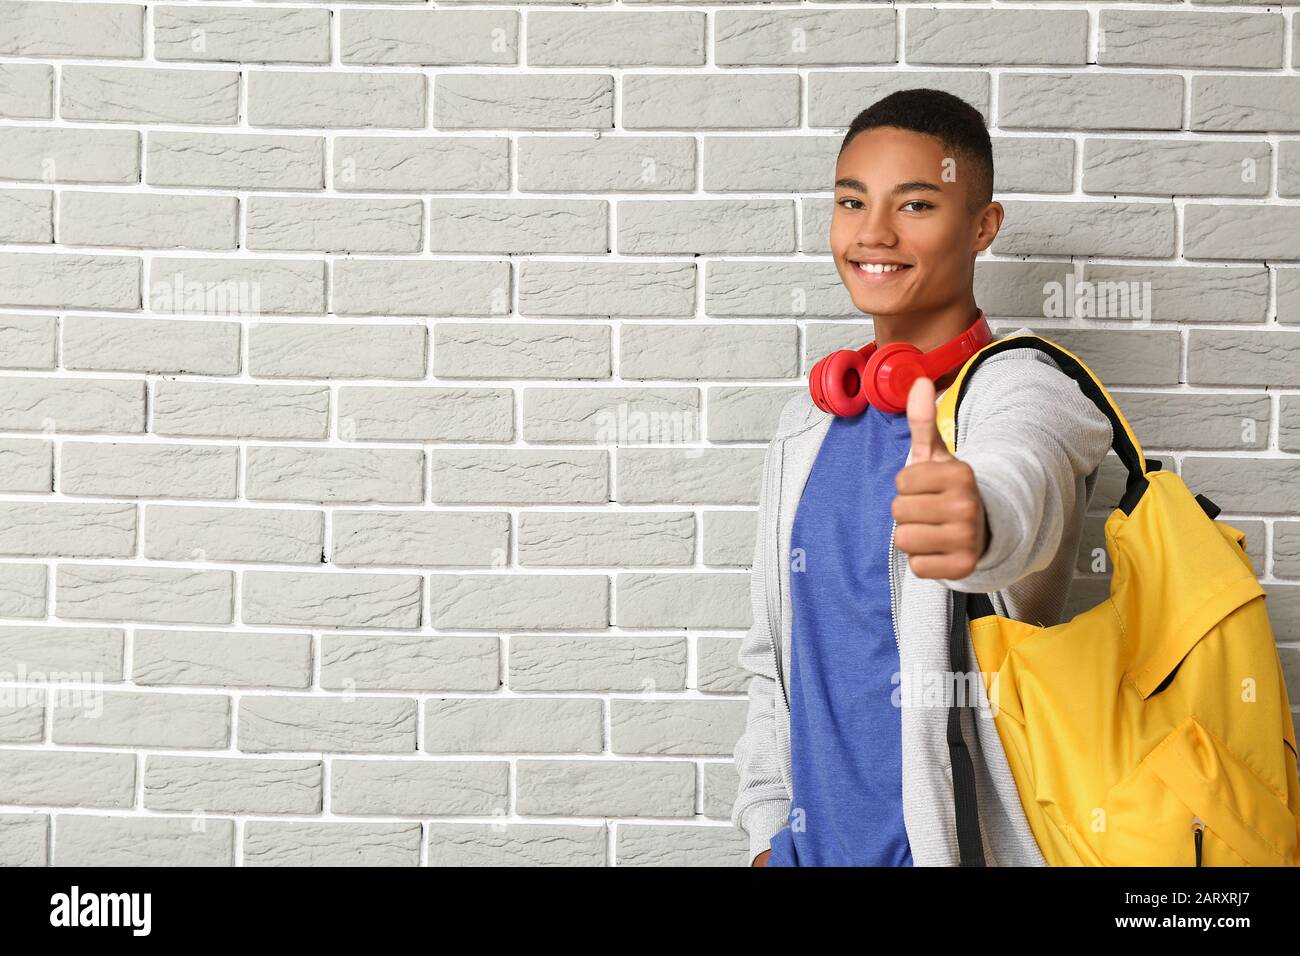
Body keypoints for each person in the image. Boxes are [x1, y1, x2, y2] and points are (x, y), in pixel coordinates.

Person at [732, 88, 1115, 866]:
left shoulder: (1017, 390)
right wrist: (768, 832)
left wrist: (979, 519)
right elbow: (771, 661)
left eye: (915, 204)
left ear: (982, 226)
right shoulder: (808, 426)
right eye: (851, 201)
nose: (872, 233)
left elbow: (1027, 470)